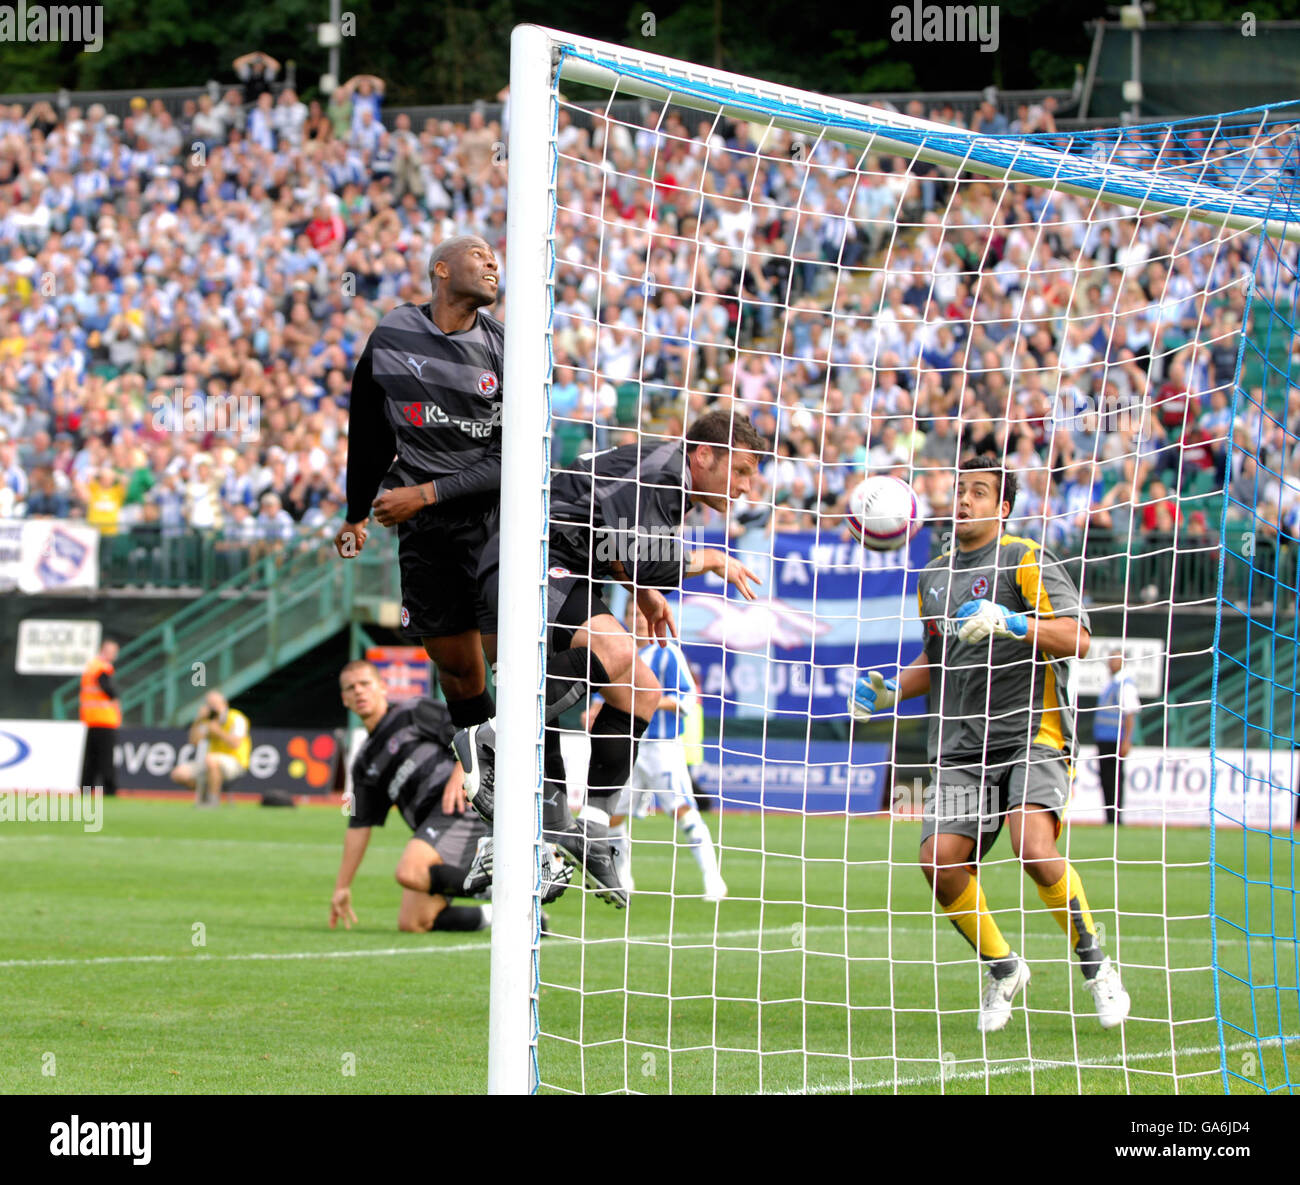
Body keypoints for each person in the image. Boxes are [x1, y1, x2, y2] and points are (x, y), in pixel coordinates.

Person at [849, 455, 1131, 1033]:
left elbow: (1078, 638)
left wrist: (1014, 621)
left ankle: (1097, 965)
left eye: (979, 492)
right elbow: (939, 658)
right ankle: (1003, 968)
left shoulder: (1026, 559)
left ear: (1003, 508)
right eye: (959, 490)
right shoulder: (934, 577)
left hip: (1032, 734)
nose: (964, 500)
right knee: (939, 864)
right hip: (959, 750)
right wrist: (889, 691)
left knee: (1032, 846)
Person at [456, 410, 765, 908]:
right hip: (529, 561)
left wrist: (640, 591)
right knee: (617, 649)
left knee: (643, 692)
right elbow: (648, 553)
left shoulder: (664, 473)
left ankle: (594, 829)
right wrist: (712, 559)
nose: (749, 486)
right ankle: (490, 735)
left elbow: (616, 542)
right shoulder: (663, 472)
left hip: (559, 570)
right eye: (744, 469)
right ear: (704, 455)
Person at [337, 236, 502, 747]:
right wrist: (356, 512)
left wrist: (426, 493)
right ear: (442, 270)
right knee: (456, 669)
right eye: (478, 255)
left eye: (494, 258)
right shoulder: (392, 334)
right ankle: (486, 773)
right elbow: (369, 431)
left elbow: (513, 462)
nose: (492, 262)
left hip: (492, 522)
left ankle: (551, 784)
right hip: (426, 532)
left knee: (514, 660)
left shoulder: (504, 347)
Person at [329, 661, 568, 932]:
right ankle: (516, 913)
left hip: (459, 808)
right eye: (351, 688)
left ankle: (518, 888)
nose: (359, 691)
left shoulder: (412, 711)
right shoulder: (362, 763)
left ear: (382, 688)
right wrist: (342, 886)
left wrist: (461, 769)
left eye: (365, 684)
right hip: (434, 828)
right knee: (414, 921)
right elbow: (357, 825)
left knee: (410, 871)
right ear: (345, 699)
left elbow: (468, 728)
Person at [603, 603, 727, 901]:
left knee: (683, 811)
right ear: (626, 619)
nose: (638, 620)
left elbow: (687, 697)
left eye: (643, 615)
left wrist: (648, 700)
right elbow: (604, 692)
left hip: (662, 749)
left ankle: (713, 879)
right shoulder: (621, 653)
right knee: (614, 816)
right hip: (629, 747)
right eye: (633, 615)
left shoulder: (667, 653)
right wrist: (595, 709)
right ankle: (622, 879)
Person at [172, 691, 251, 807]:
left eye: (215, 704)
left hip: (235, 762)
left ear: (224, 704)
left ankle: (212, 801)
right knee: (179, 774)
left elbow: (235, 743)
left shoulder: (237, 718)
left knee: (211, 759)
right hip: (210, 762)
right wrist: (198, 720)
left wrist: (218, 731)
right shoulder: (207, 721)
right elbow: (194, 742)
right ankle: (210, 793)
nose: (213, 707)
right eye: (209, 704)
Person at [1094, 653, 1140, 826]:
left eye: (1116, 659)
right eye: (1110, 659)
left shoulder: (1125, 685)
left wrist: (1127, 740)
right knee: (1105, 778)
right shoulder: (1109, 684)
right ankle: (1109, 817)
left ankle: (1116, 817)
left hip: (1116, 739)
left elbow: (1130, 714)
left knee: (1114, 778)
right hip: (1103, 738)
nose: (1111, 663)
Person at [79, 638, 121, 796]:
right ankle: (109, 790)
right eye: (111, 651)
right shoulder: (102, 667)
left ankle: (86, 789)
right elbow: (108, 689)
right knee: (105, 758)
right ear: (103, 650)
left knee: (91, 759)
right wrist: (116, 700)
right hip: (104, 719)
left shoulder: (91, 666)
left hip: (91, 719)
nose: (113, 654)